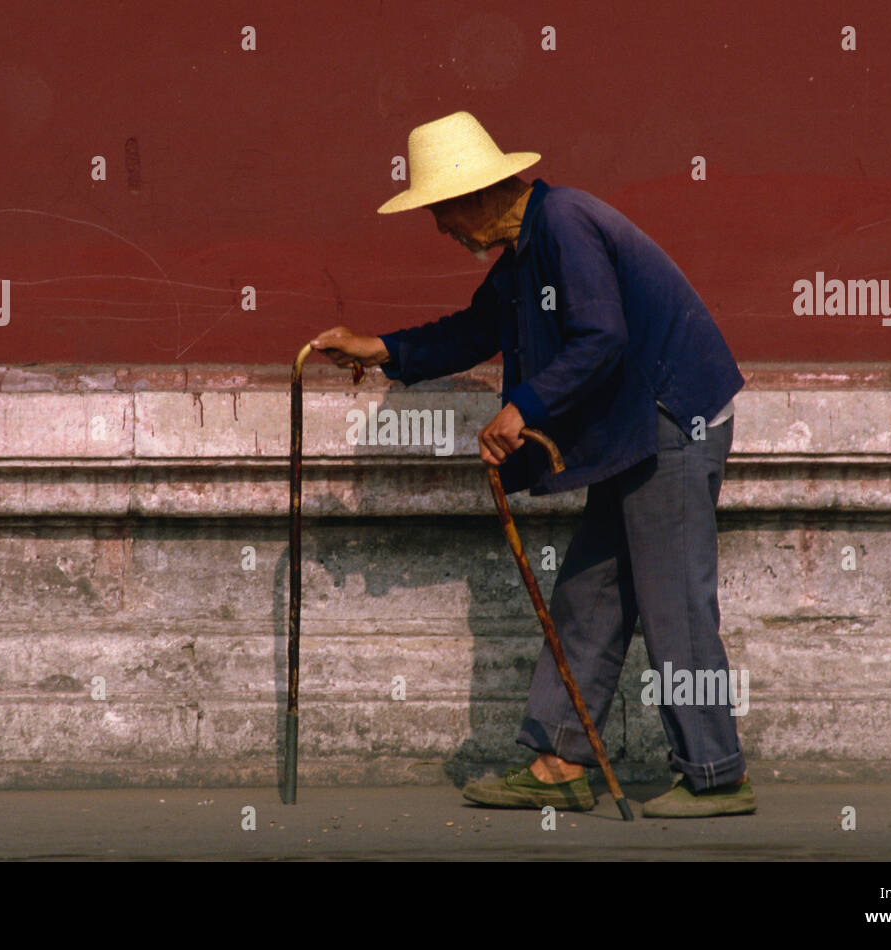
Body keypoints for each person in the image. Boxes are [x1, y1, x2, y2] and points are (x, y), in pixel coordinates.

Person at [312, 111, 755, 818]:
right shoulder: (525, 250)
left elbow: (601, 335)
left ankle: (717, 772)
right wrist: (380, 348)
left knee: (674, 599)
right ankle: (558, 760)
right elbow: (474, 330)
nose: (440, 229)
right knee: (591, 591)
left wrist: (522, 407)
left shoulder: (565, 224)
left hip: (673, 417)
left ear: (475, 194)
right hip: (634, 427)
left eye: (439, 211)